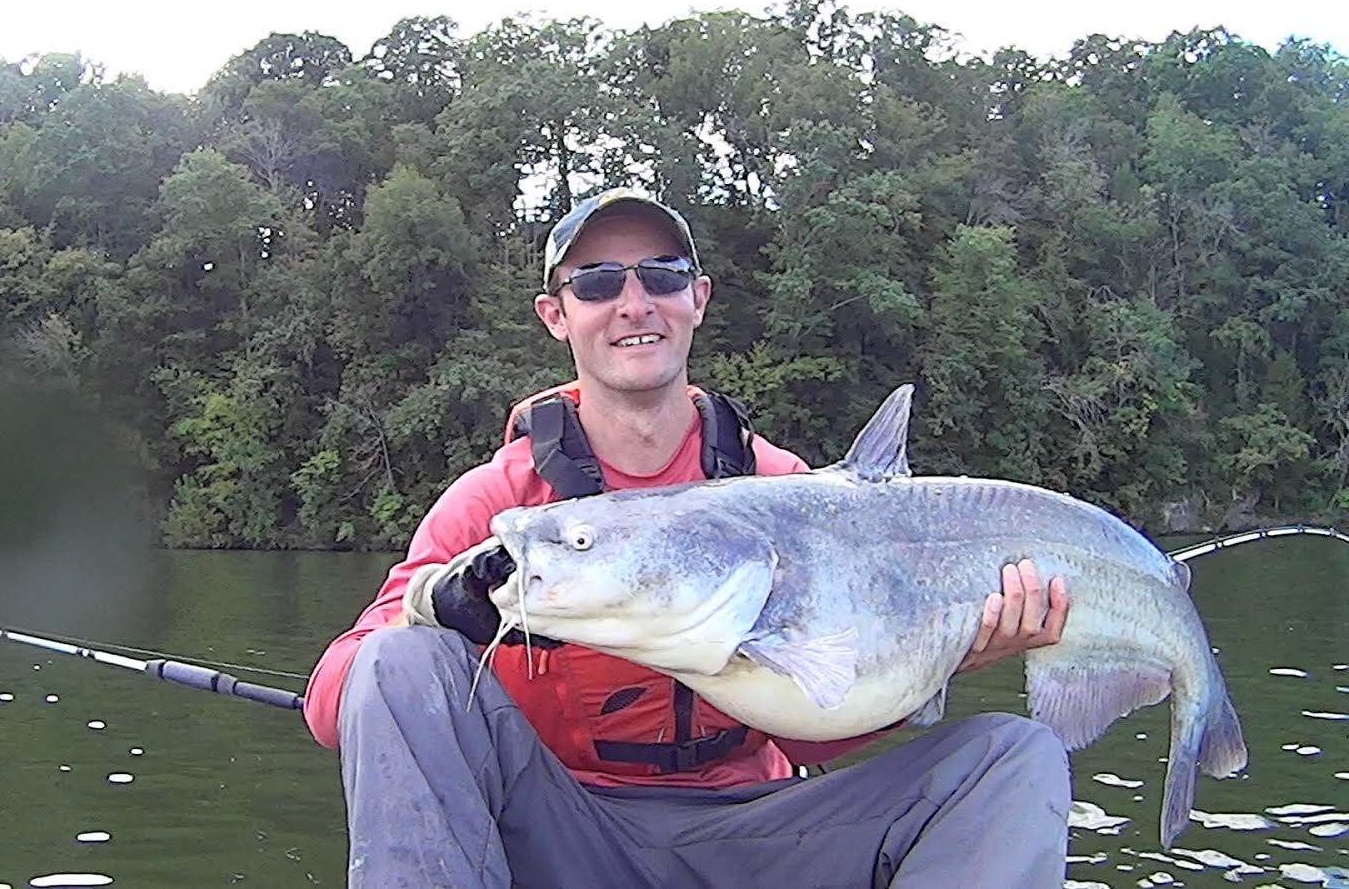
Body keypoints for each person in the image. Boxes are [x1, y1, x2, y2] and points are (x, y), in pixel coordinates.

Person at [304, 188, 1074, 888]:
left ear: (697, 299)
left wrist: (932, 662)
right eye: (598, 283)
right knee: (400, 655)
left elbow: (814, 736)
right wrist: (435, 608)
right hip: (562, 834)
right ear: (556, 314)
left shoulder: (787, 492)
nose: (634, 304)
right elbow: (341, 696)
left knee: (1013, 760)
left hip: (760, 829)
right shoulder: (503, 503)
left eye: (662, 277)